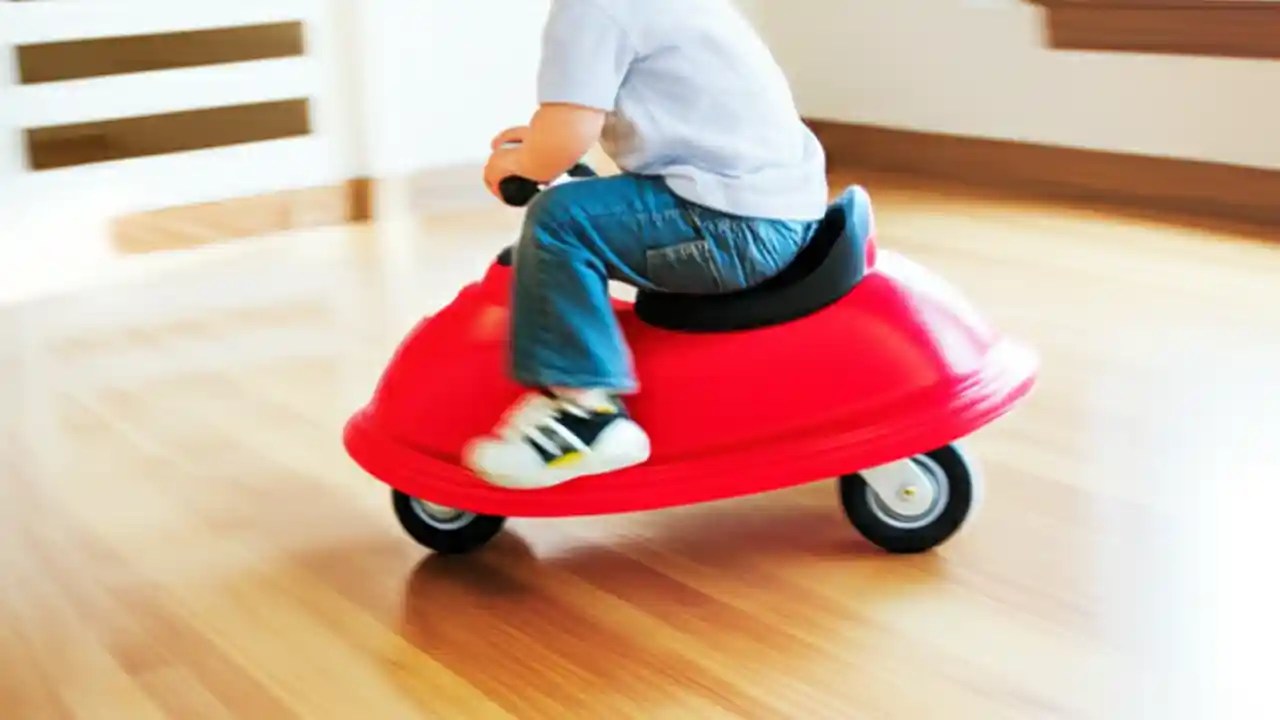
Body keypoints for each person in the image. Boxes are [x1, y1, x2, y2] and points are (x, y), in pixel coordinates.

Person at [463, 0, 865, 490]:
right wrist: (544, 139)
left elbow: (569, 133)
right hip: (777, 206)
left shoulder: (590, 9)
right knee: (586, 206)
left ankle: (586, 415)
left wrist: (529, 161)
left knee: (558, 220)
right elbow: (646, 108)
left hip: (730, 225)